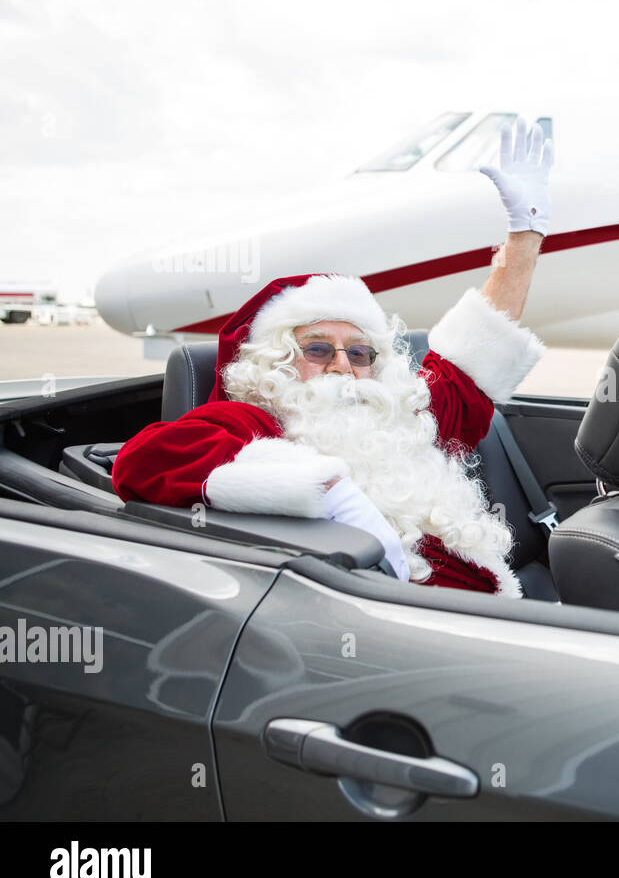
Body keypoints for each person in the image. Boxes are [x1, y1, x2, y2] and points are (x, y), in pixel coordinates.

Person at [112, 119, 554, 598]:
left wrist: (524, 236)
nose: (344, 365)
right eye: (318, 349)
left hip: (485, 615)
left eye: (360, 352)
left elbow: (477, 350)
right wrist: (331, 492)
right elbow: (143, 462)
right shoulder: (256, 421)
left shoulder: (402, 419)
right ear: (277, 361)